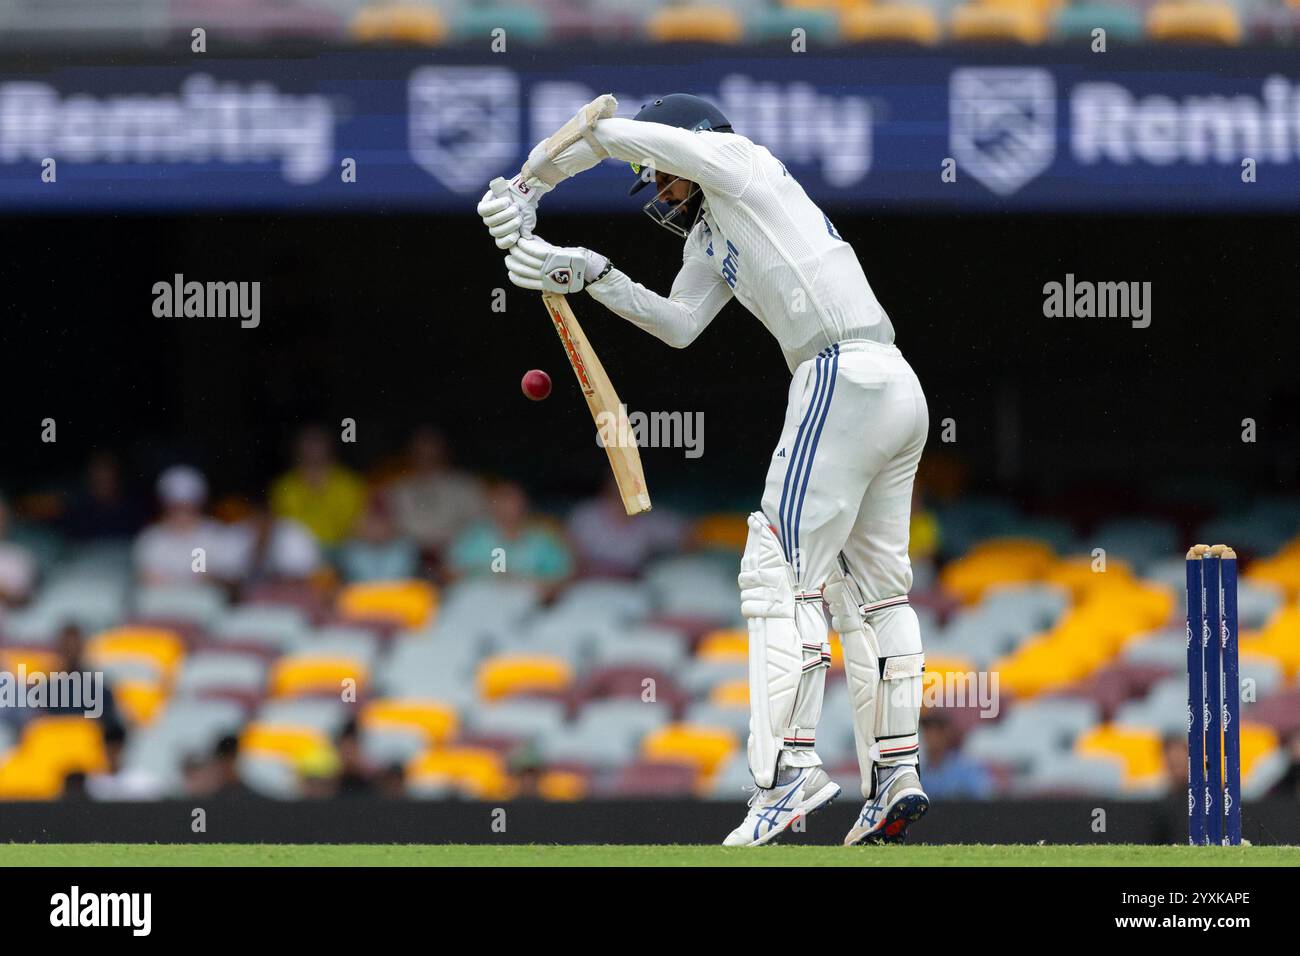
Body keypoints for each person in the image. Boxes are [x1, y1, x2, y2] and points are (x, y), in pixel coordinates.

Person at [480, 93, 930, 847]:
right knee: (874, 591)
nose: (657, 191)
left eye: (660, 175)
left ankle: (786, 774)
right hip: (893, 387)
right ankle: (895, 774)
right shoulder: (712, 235)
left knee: (776, 570)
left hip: (840, 372)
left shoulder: (738, 162)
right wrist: (585, 272)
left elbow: (610, 134)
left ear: (687, 146)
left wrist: (528, 185)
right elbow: (678, 325)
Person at [447, 481, 572, 589]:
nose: (507, 506)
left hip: (529, 600)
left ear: (524, 502)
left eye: (513, 500)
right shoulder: (473, 536)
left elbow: (562, 576)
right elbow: (451, 573)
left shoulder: (542, 537)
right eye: (502, 500)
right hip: (481, 598)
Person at [133, 465, 242, 585]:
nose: (182, 515)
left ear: (200, 505)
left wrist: (214, 577)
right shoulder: (152, 539)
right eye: (175, 508)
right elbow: (148, 579)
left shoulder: (216, 535)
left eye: (188, 508)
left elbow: (231, 578)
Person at [386, 426, 486, 554]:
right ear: (410, 454)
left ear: (445, 453)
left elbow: (482, 526)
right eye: (420, 453)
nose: (427, 458)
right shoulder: (396, 489)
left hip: (456, 556)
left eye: (433, 454)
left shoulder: (465, 486)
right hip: (409, 559)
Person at [566, 478, 686, 578]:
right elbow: (567, 554)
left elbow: (687, 536)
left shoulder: (650, 518)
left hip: (632, 586)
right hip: (588, 584)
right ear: (606, 490)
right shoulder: (585, 516)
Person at [269, 426, 366, 549]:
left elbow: (357, 524)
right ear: (298, 447)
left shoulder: (349, 483)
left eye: (318, 442)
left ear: (330, 446)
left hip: (342, 549)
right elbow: (282, 529)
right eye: (309, 442)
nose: (314, 448)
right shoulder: (284, 486)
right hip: (301, 553)